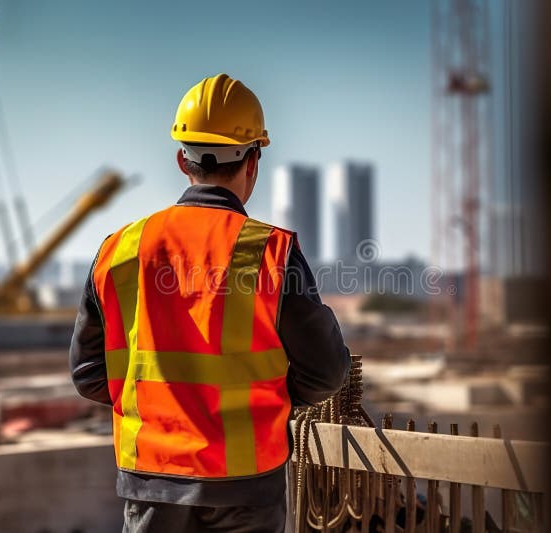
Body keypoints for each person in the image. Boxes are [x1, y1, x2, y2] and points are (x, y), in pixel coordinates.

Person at [70, 73, 350, 533]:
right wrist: (265, 402)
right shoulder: (270, 252)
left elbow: (88, 376)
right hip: (247, 490)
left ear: (183, 160)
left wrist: (162, 408)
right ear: (253, 161)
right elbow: (326, 371)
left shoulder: (120, 249)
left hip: (151, 483)